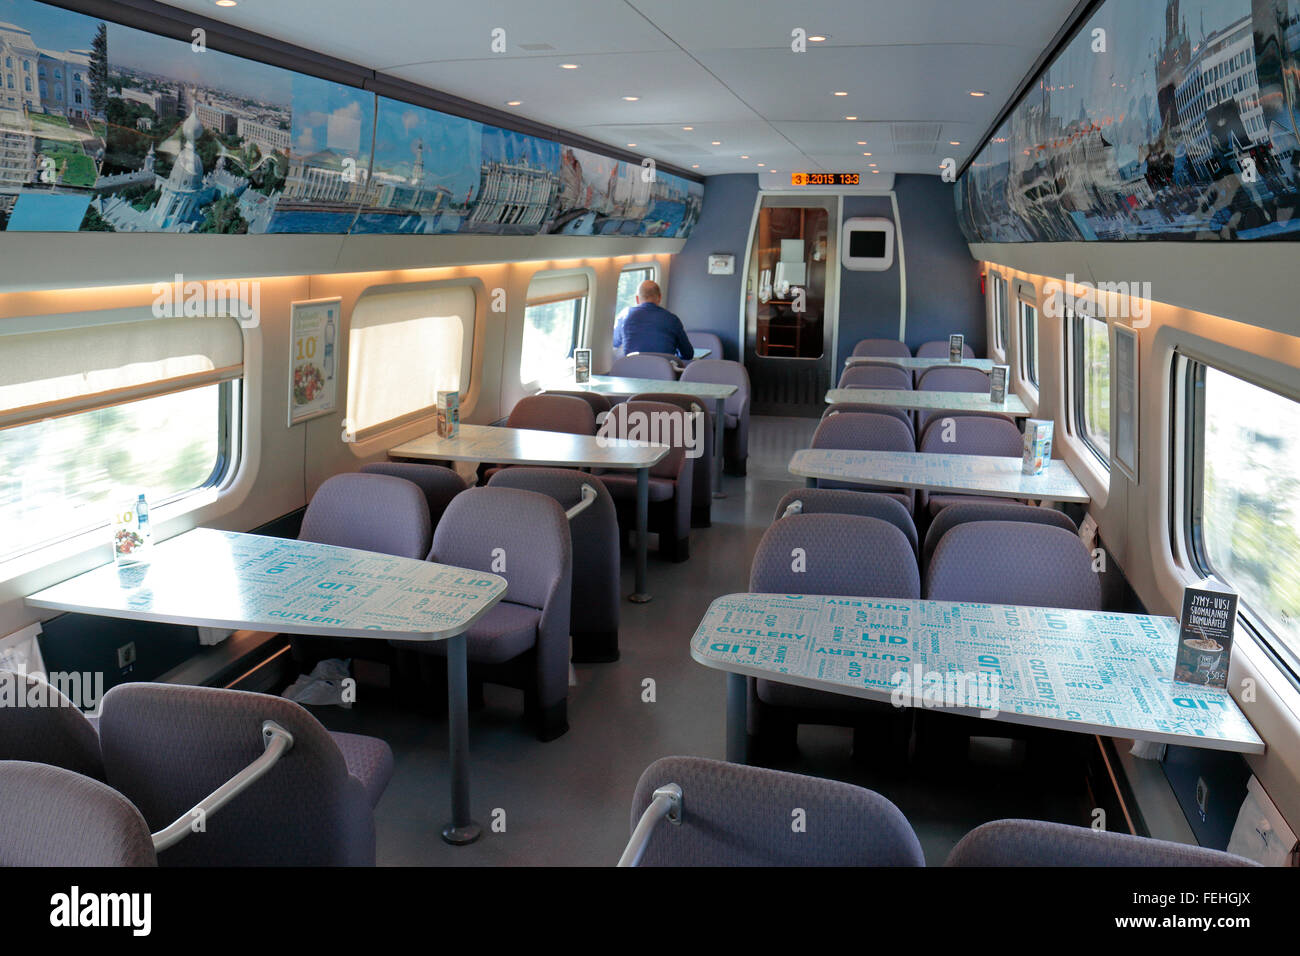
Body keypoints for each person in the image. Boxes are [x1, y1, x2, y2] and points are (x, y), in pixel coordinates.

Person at [612, 280, 694, 360]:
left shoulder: (625, 316)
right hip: (664, 372)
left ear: (637, 299)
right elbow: (688, 354)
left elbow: (615, 342)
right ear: (659, 298)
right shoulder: (672, 319)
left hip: (630, 370)